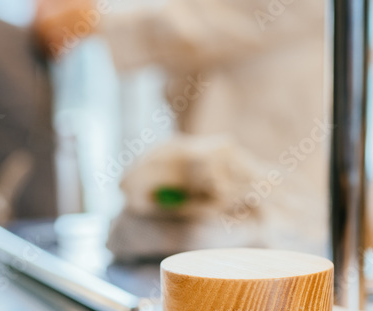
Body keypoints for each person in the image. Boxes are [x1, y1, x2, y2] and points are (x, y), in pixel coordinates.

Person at [33, 0, 330, 253]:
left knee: (269, 267)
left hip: (272, 134)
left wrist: (96, 17)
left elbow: (211, 18)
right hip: (216, 134)